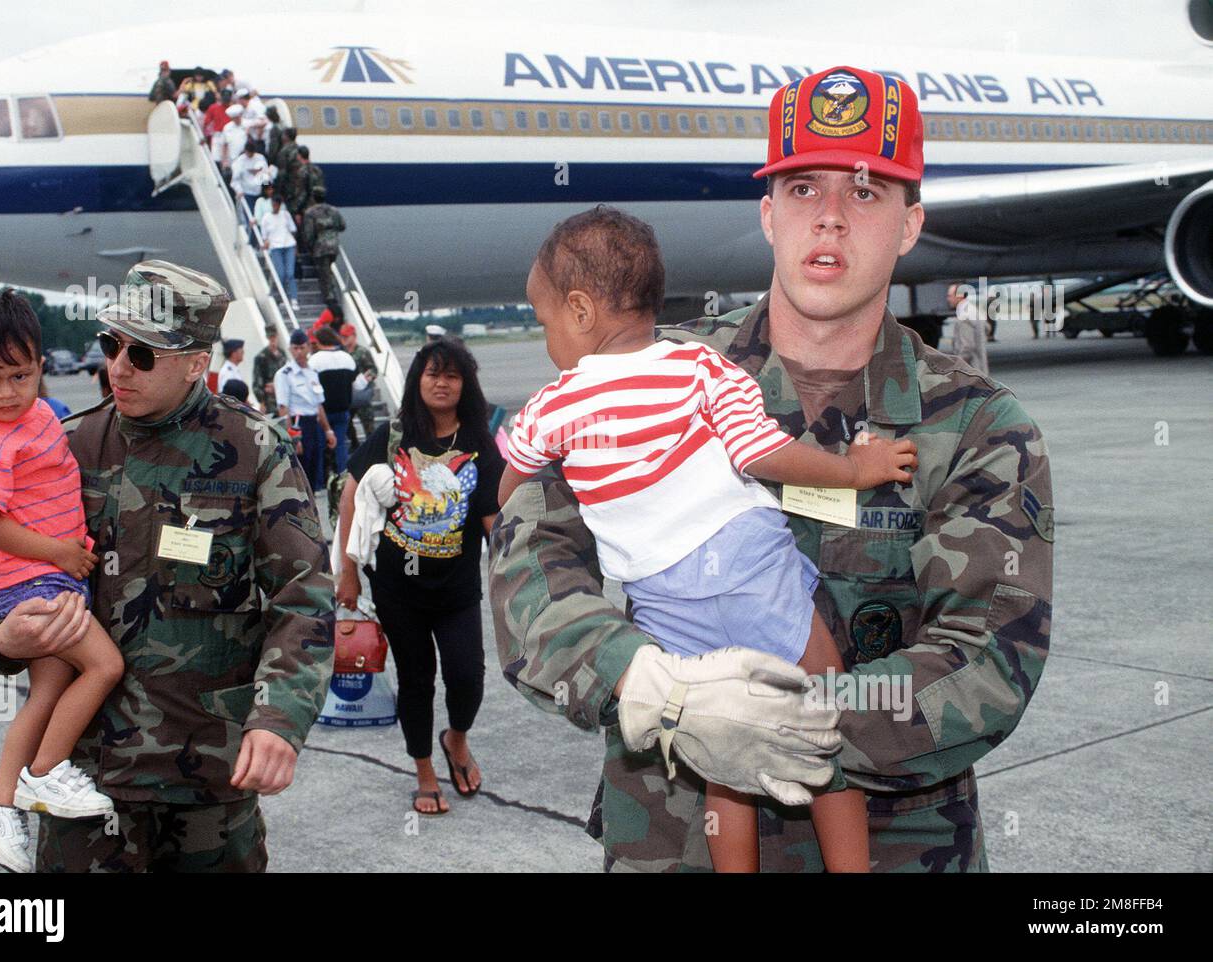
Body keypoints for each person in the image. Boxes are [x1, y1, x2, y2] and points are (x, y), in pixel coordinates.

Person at [488, 65, 1054, 873]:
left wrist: (778, 717)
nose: (828, 218)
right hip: (674, 841)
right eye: (801, 190)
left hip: (901, 851)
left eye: (864, 193)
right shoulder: (649, 374)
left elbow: (989, 661)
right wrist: (658, 693)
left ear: (909, 224)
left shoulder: (979, 428)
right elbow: (528, 567)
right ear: (767, 215)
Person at [501, 208, 916, 872]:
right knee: (828, 720)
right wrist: (854, 470)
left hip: (666, 601)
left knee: (724, 744)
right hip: (750, 566)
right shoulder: (699, 363)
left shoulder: (551, 406)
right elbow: (762, 455)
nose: (547, 338)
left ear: (579, 311)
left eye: (544, 320)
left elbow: (510, 493)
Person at [0, 260, 335, 872]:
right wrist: (1, 636)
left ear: (196, 361)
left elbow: (305, 599)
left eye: (143, 354)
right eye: (112, 345)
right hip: (77, 784)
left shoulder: (254, 450)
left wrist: (278, 718)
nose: (117, 367)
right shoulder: (64, 446)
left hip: (206, 783)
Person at [0, 290, 123, 874]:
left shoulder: (42, 414)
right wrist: (60, 554)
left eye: (19, 375)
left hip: (48, 578)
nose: (6, 393)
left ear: (42, 366)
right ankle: (44, 775)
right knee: (104, 666)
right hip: (29, 580)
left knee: (48, 692)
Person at [336, 337, 505, 815]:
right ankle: (426, 772)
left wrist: (512, 572)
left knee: (468, 676)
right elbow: (350, 498)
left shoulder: (477, 444)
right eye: (433, 373)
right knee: (416, 680)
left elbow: (492, 516)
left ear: (464, 385)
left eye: (452, 375)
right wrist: (347, 573)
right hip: (397, 589)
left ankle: (456, 738)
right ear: (418, 381)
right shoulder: (393, 435)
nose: (442, 382)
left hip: (455, 590)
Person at [275, 329, 336, 491]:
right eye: (295, 348)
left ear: (309, 347)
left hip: (313, 425)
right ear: (290, 349)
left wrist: (328, 430)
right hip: (297, 425)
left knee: (314, 471)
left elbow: (318, 405)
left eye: (302, 347)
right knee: (300, 473)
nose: (299, 352)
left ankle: (312, 507)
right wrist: (292, 438)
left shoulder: (312, 373)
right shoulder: (284, 374)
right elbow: (283, 408)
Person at [308, 326, 355, 476]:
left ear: (319, 341)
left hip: (323, 412)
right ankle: (342, 476)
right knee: (340, 445)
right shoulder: (347, 357)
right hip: (343, 409)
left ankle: (320, 481)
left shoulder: (314, 360)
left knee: (320, 446)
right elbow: (355, 382)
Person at [301, 187, 345, 301]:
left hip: (321, 247)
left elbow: (309, 233)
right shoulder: (334, 210)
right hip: (333, 246)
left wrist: (310, 247)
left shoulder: (310, 213)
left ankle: (330, 297)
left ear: (313, 197)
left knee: (323, 272)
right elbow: (342, 226)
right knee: (327, 269)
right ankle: (331, 292)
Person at [260, 195, 299, 309]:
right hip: (275, 247)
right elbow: (264, 235)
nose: (275, 207)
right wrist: (266, 242)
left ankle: (294, 299)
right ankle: (283, 299)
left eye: (277, 205)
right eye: (274, 204)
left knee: (290, 274)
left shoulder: (285, 215)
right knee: (280, 274)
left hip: (289, 245)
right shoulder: (266, 217)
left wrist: (296, 246)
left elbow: (293, 229)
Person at [342, 323, 378, 444]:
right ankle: (354, 443)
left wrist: (365, 378)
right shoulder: (342, 354)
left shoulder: (362, 352)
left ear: (354, 336)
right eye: (342, 336)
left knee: (368, 422)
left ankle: (372, 446)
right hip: (348, 393)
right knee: (346, 421)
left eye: (347, 336)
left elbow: (374, 370)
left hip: (362, 393)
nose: (344, 339)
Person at [947, 282, 989, 375]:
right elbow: (987, 328)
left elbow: (967, 348)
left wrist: (956, 368)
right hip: (981, 369)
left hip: (971, 373)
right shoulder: (974, 310)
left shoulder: (964, 316)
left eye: (950, 296)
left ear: (959, 296)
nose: (948, 299)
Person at [230, 140, 270, 220]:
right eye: (248, 153)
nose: (250, 155)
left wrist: (266, 188)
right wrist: (239, 190)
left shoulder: (260, 158)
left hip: (259, 192)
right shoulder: (240, 161)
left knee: (260, 217)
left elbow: (265, 175)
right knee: (250, 217)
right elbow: (235, 180)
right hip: (247, 193)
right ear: (245, 151)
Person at [252, 324, 286, 415]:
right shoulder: (261, 357)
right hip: (269, 401)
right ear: (267, 337)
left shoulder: (282, 354)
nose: (272, 339)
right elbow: (257, 382)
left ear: (277, 335)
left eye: (274, 336)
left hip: (282, 397)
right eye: (270, 337)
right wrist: (262, 402)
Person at [288, 145, 325, 221]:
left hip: (306, 209)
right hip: (319, 207)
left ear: (299, 156)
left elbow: (301, 193)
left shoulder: (302, 171)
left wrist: (297, 211)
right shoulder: (317, 170)